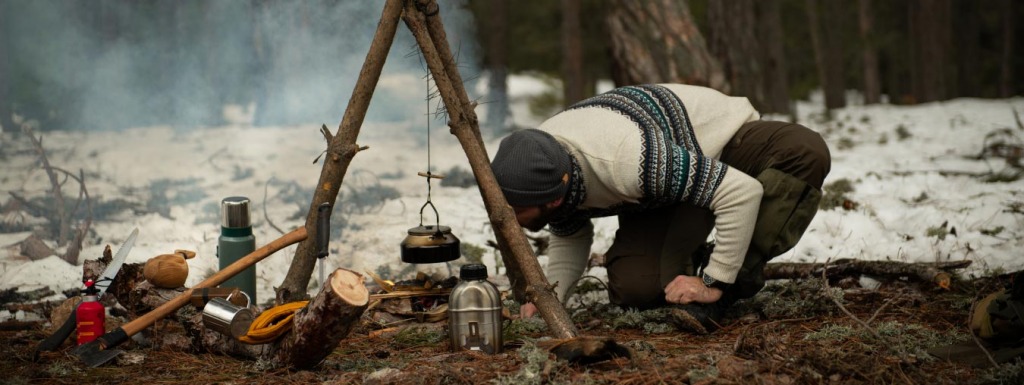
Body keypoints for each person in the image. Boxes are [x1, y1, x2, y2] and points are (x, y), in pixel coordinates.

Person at [490, 84, 831, 333]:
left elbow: (740, 192)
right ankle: (703, 255)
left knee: (804, 151)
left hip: (720, 145)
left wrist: (715, 280)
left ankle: (728, 282)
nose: (510, 218)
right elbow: (569, 233)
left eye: (516, 211)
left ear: (553, 199)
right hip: (663, 191)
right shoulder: (539, 163)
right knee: (637, 290)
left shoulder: (627, 158)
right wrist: (552, 298)